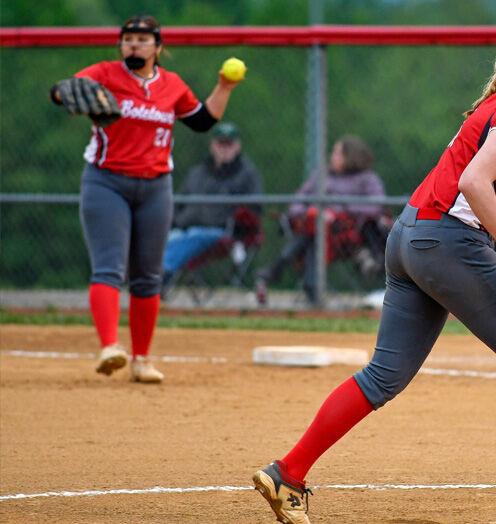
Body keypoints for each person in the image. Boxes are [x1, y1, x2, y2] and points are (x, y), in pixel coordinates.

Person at [252, 27, 496, 524]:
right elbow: (473, 182)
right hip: (447, 241)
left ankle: (288, 473)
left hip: (413, 236)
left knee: (384, 375)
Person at [49, 15, 242, 383]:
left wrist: (224, 86)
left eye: (142, 39)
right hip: (106, 182)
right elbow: (63, 90)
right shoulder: (105, 73)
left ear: (158, 47)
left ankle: (141, 360)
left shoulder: (171, 84)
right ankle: (110, 346)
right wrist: (63, 92)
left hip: (155, 187)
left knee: (148, 276)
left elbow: (202, 121)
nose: (134, 45)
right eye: (128, 39)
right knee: (108, 268)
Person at [254, 135, 385, 305]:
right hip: (316, 227)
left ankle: (276, 270)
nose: (333, 156)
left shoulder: (366, 178)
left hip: (345, 236)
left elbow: (377, 206)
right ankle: (309, 290)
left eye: (338, 153)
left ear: (351, 156)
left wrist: (339, 209)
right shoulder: (322, 176)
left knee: (314, 230)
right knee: (314, 223)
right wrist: (314, 211)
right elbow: (297, 202)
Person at [160, 122, 263, 293]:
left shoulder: (246, 174)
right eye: (221, 144)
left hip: (222, 231)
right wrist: (174, 221)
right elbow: (179, 203)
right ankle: (153, 278)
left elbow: (255, 207)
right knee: (165, 238)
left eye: (229, 144)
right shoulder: (198, 172)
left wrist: (239, 225)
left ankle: (162, 276)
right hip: (186, 226)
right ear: (212, 145)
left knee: (189, 237)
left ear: (237, 146)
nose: (224, 149)